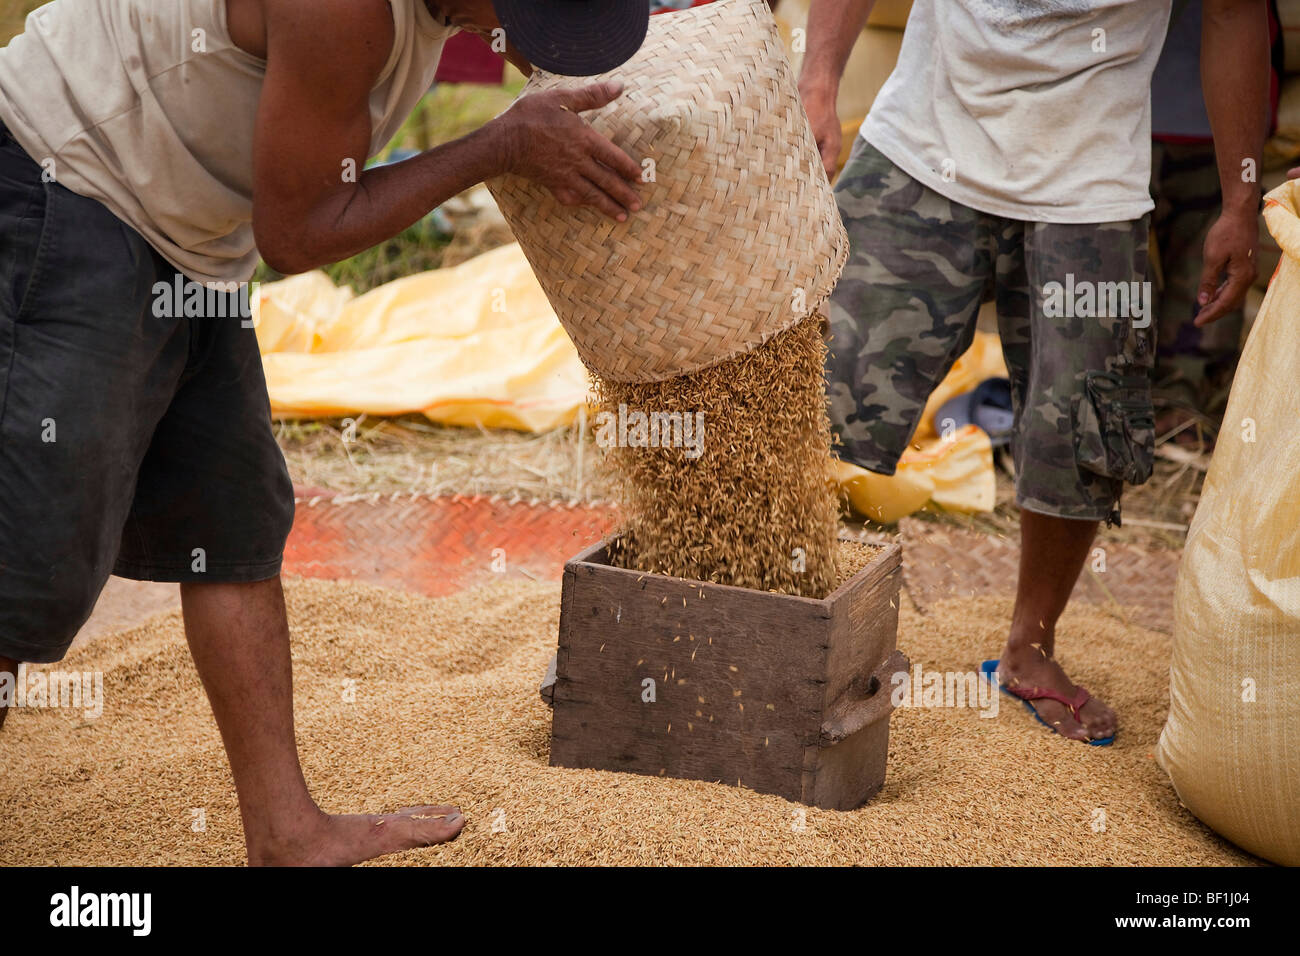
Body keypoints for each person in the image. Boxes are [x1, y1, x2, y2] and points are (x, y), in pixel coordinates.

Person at [0, 0, 649, 866]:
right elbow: (301, 231)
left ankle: (285, 832)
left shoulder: (461, 12)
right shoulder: (344, 11)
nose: (514, 48)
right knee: (23, 570)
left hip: (190, 241)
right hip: (67, 185)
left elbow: (546, 66)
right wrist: (497, 148)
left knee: (228, 531)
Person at [800, 0, 1267, 743]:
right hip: (923, 141)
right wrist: (818, 82)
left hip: (1090, 182)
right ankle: (786, 597)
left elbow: (1235, 15)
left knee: (1083, 426)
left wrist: (1240, 201)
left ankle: (1031, 648)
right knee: (818, 379)